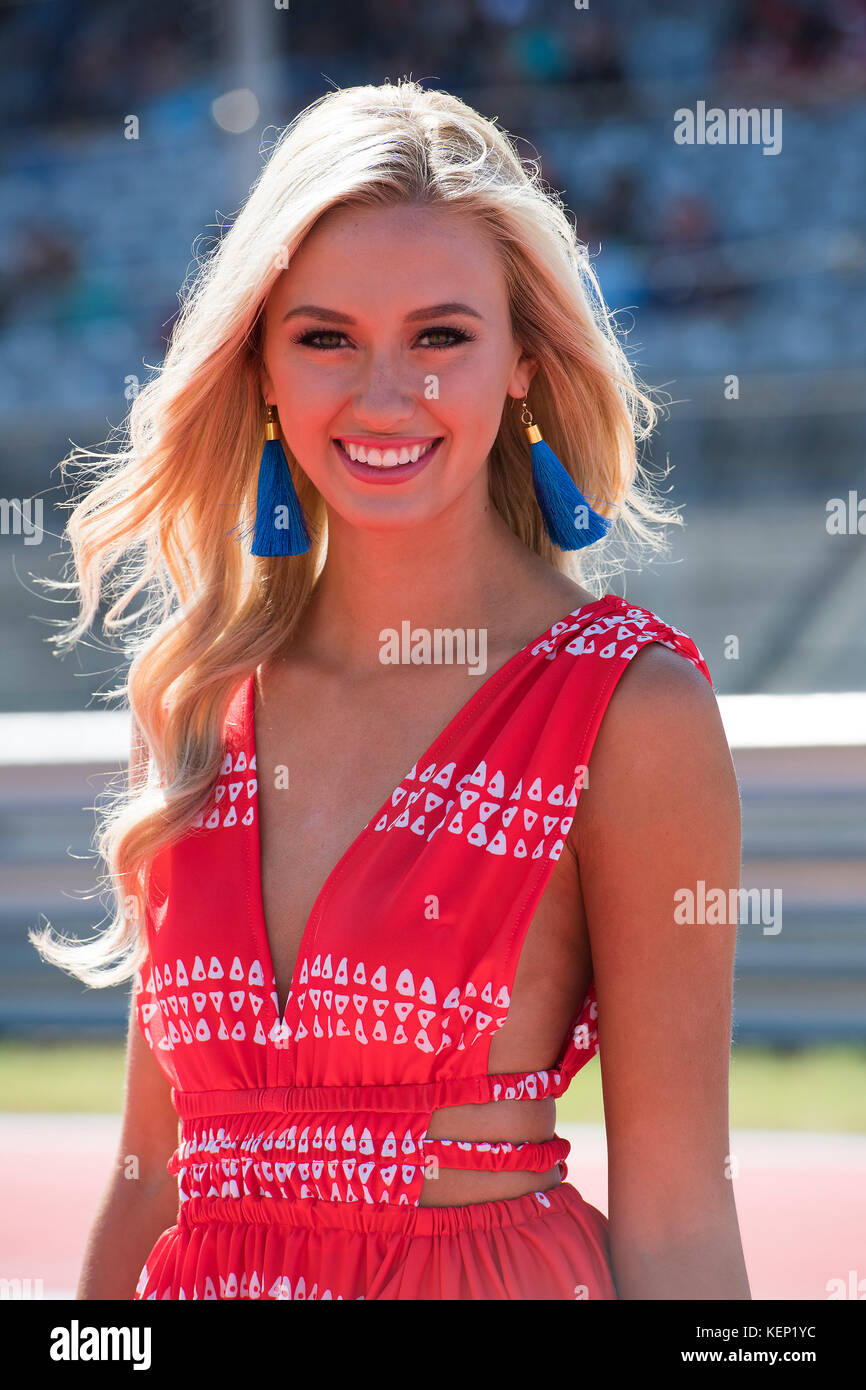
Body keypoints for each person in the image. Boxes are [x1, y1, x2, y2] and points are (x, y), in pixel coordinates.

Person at [32, 79, 750, 1300]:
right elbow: (152, 1178)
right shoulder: (204, 694)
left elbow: (678, 1214)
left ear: (523, 361)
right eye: (324, 337)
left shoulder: (630, 708)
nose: (381, 395)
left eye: (439, 336)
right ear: (257, 364)